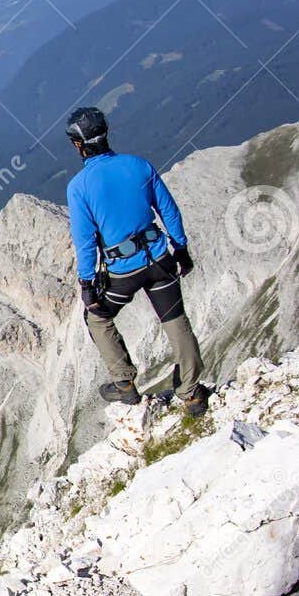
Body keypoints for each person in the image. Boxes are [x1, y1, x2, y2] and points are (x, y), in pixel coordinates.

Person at [65, 106, 208, 417]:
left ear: (78, 145)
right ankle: (192, 393)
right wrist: (180, 248)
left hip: (122, 272)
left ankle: (125, 385)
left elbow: (86, 242)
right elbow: (169, 211)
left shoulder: (79, 187)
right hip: (159, 261)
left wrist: (87, 283)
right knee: (175, 321)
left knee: (98, 319)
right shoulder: (139, 166)